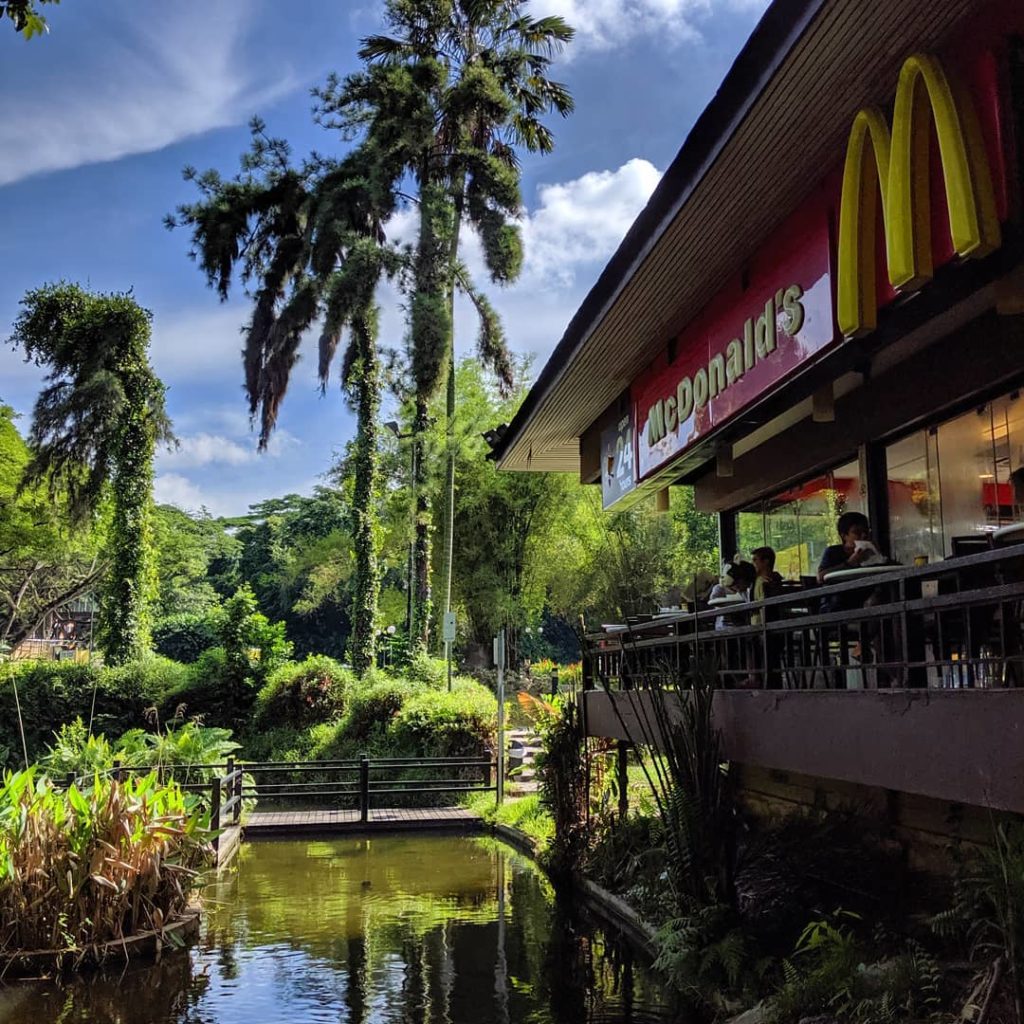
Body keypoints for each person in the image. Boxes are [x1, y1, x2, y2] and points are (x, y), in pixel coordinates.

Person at [817, 511, 886, 583]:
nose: (863, 535)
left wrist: (879, 556)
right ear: (844, 536)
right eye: (857, 532)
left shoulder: (873, 550)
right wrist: (850, 563)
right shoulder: (833, 552)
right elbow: (820, 577)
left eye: (866, 531)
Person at [709, 561, 755, 630]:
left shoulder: (744, 592)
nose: (738, 587)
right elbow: (713, 601)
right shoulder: (719, 589)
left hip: (741, 627)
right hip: (723, 627)